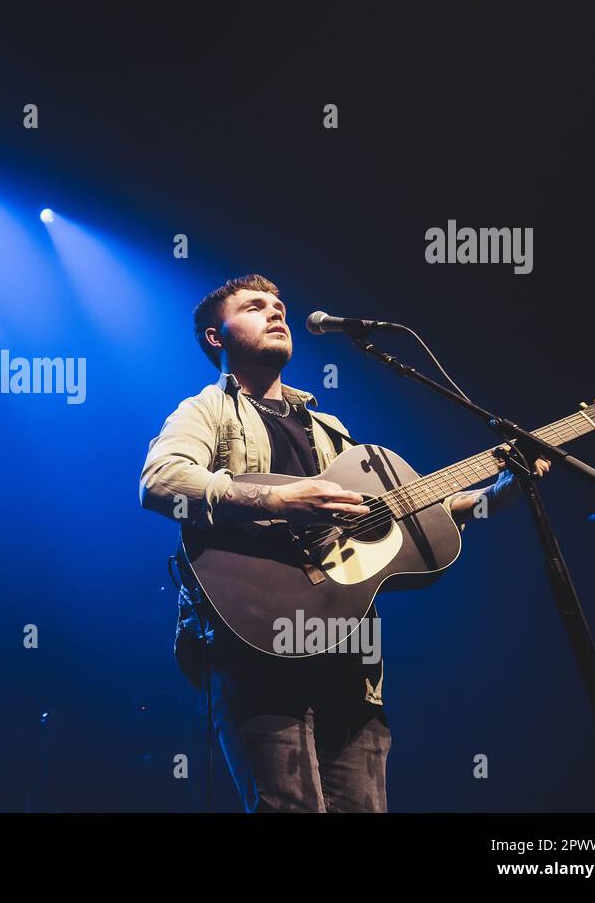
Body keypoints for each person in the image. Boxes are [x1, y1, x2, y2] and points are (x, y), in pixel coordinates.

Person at [139, 274, 548, 812]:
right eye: (256, 306)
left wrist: (496, 496)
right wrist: (282, 501)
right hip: (254, 641)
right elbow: (161, 482)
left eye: (280, 305)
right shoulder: (206, 411)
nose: (276, 312)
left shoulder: (329, 426)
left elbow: (410, 512)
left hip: (349, 654)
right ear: (216, 337)